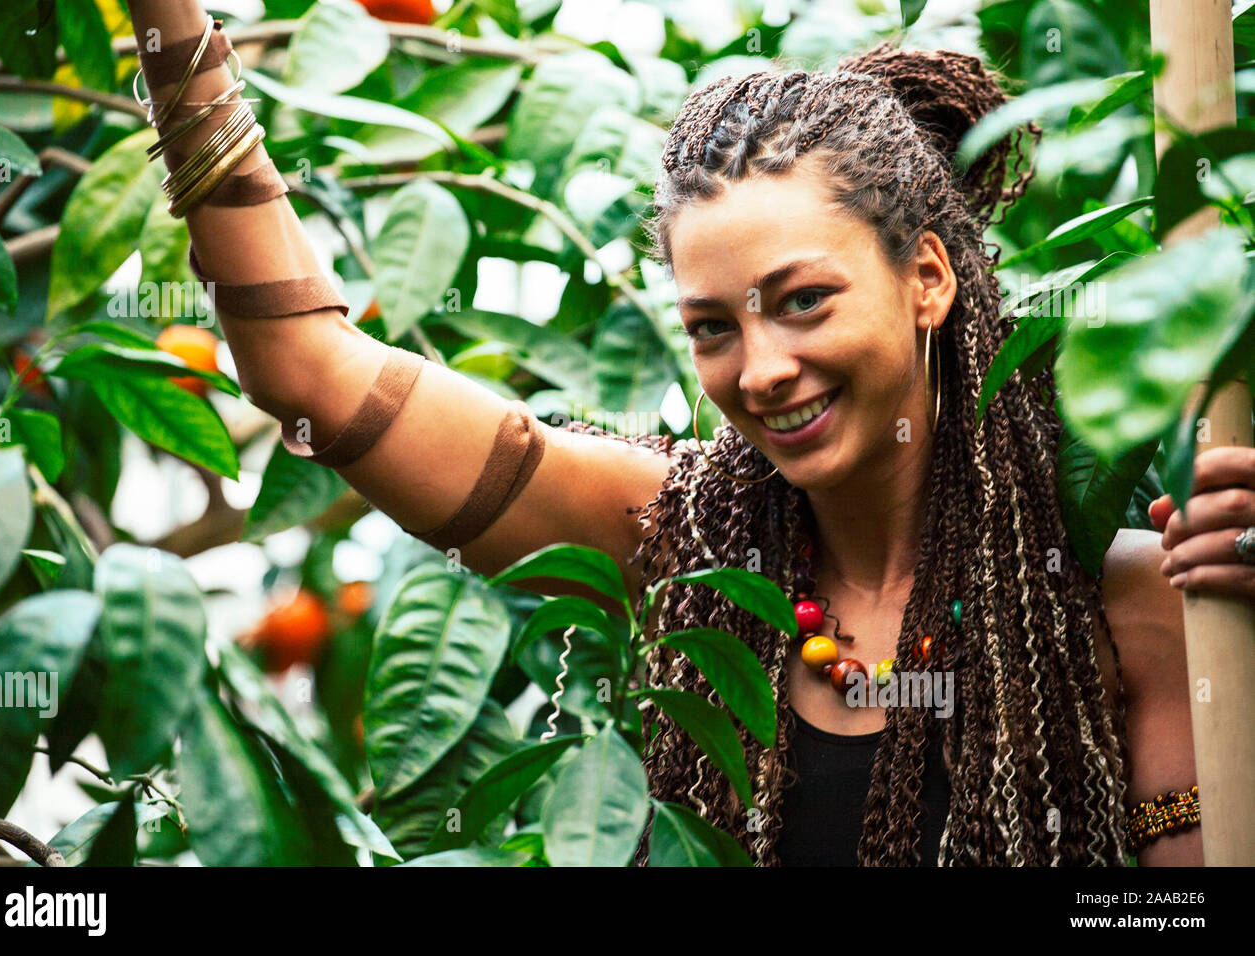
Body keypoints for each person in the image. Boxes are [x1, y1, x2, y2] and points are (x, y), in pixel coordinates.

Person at [125, 2, 1209, 865]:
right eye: (711, 326)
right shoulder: (677, 546)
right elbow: (310, 372)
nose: (762, 367)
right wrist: (171, 24)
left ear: (927, 277)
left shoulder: (1132, 605)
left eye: (801, 300)